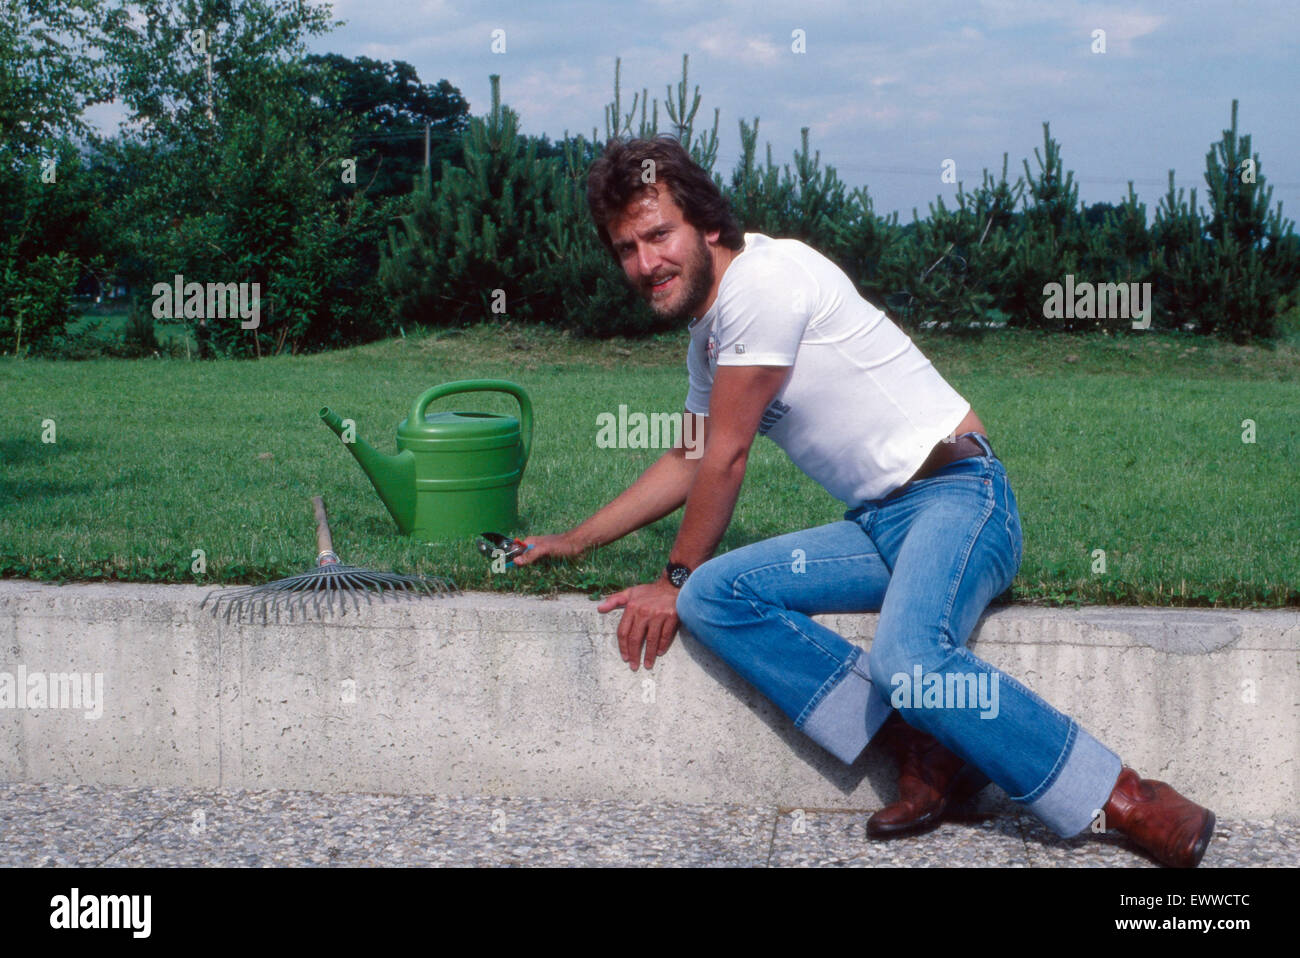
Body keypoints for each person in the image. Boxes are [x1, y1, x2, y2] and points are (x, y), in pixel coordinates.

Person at [514, 135, 1215, 868]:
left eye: (658, 235)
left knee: (907, 655)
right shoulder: (710, 335)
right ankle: (929, 752)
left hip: (962, 497)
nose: (645, 262)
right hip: (882, 523)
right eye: (627, 248)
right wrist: (575, 541)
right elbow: (690, 456)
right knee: (719, 597)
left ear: (707, 226)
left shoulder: (763, 281)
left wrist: (671, 578)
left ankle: (1125, 796)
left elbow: (726, 457)